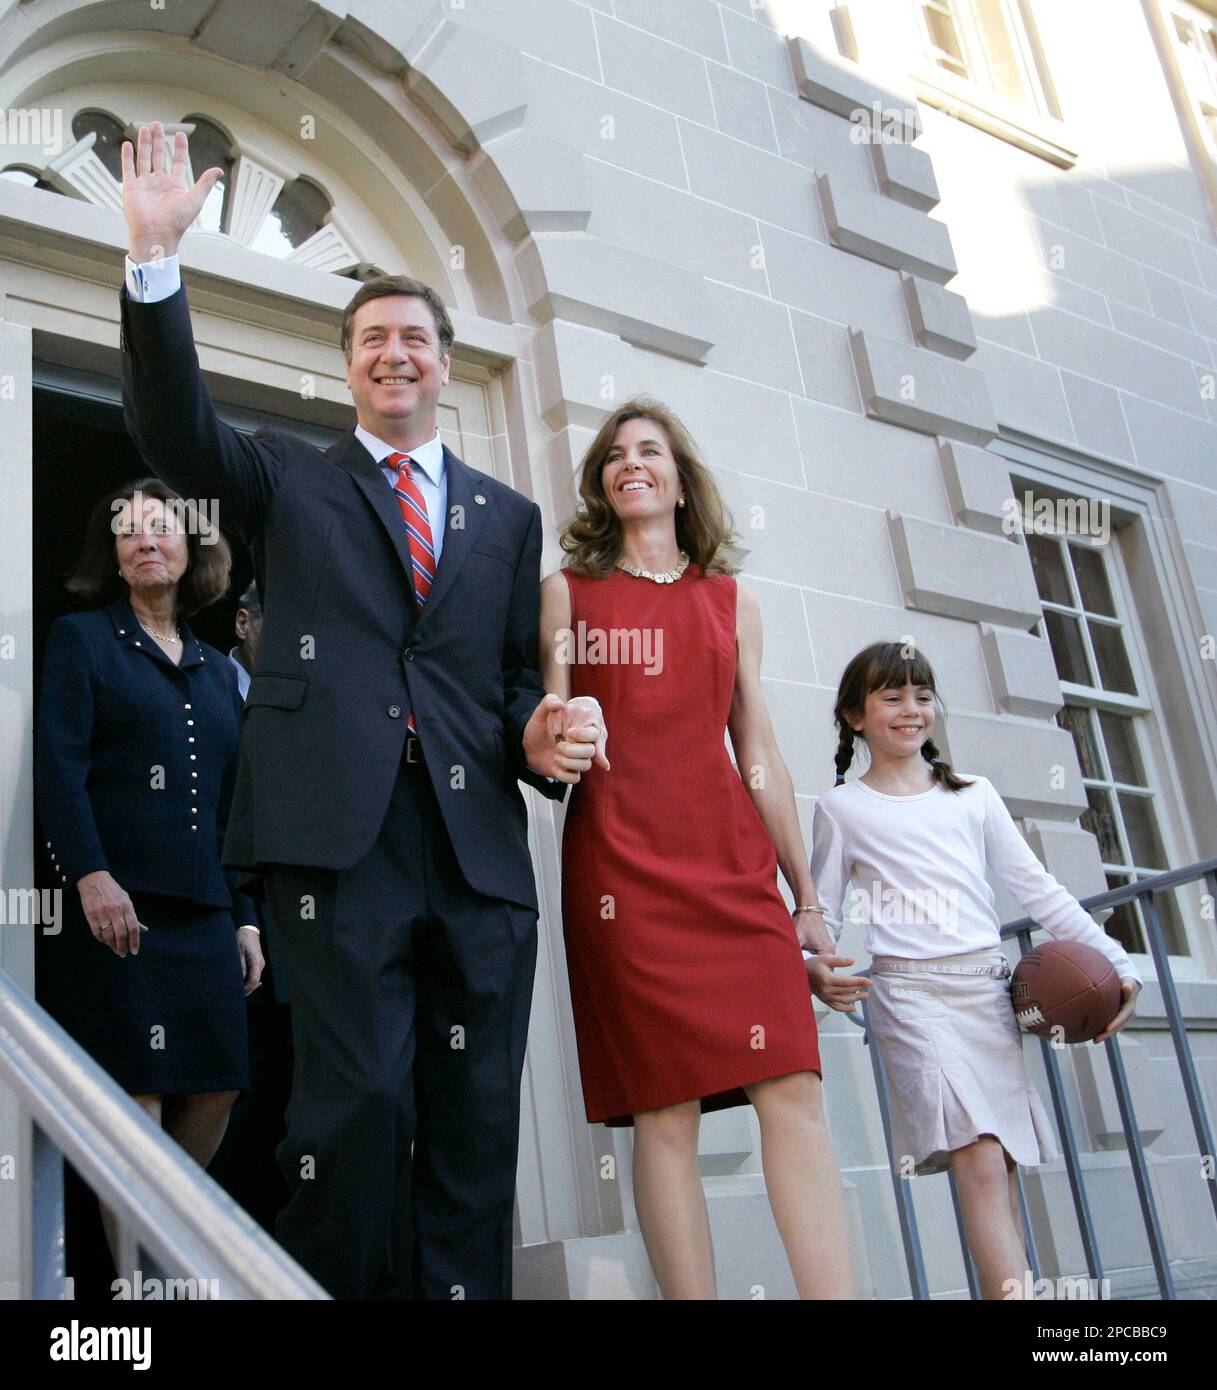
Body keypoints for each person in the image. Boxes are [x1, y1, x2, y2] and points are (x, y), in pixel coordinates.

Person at [117, 121, 603, 1300]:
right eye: (374, 338)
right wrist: (152, 261)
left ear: (442, 366)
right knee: (357, 1106)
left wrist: (536, 738)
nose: (396, 355)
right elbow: (175, 431)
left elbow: (500, 681)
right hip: (336, 845)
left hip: (475, 853)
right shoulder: (290, 477)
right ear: (348, 366)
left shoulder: (504, 516)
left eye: (415, 340)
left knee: (477, 1114)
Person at [540, 397, 856, 1300]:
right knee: (662, 1108)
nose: (629, 463)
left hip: (732, 865)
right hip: (620, 866)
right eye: (613, 455)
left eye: (649, 451)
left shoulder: (731, 600)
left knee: (791, 1084)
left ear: (681, 479)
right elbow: (552, 733)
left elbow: (758, 752)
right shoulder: (566, 591)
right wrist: (562, 738)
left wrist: (804, 898)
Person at [810, 640, 1143, 1299]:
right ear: (854, 716)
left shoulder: (973, 796)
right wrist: (811, 970)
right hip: (911, 1000)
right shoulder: (841, 808)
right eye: (891, 696)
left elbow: (1039, 889)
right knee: (982, 1164)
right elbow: (816, 910)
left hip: (988, 997)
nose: (911, 709)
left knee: (1002, 1174)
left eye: (921, 696)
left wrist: (1118, 966)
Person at [35, 478, 261, 1274]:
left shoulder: (213, 670)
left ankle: (157, 1247)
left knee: (218, 1087)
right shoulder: (83, 640)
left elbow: (236, 808)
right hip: (119, 914)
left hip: (203, 915)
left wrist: (245, 916)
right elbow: (58, 769)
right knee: (137, 1097)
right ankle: (133, 1285)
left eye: (160, 528)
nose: (145, 542)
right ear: (116, 556)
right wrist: (89, 876)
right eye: (127, 532)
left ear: (191, 548)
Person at [208, 583, 295, 1234]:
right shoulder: (203, 684)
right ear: (244, 621)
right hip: (224, 938)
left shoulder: (307, 699)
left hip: (310, 945)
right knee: (237, 1111)